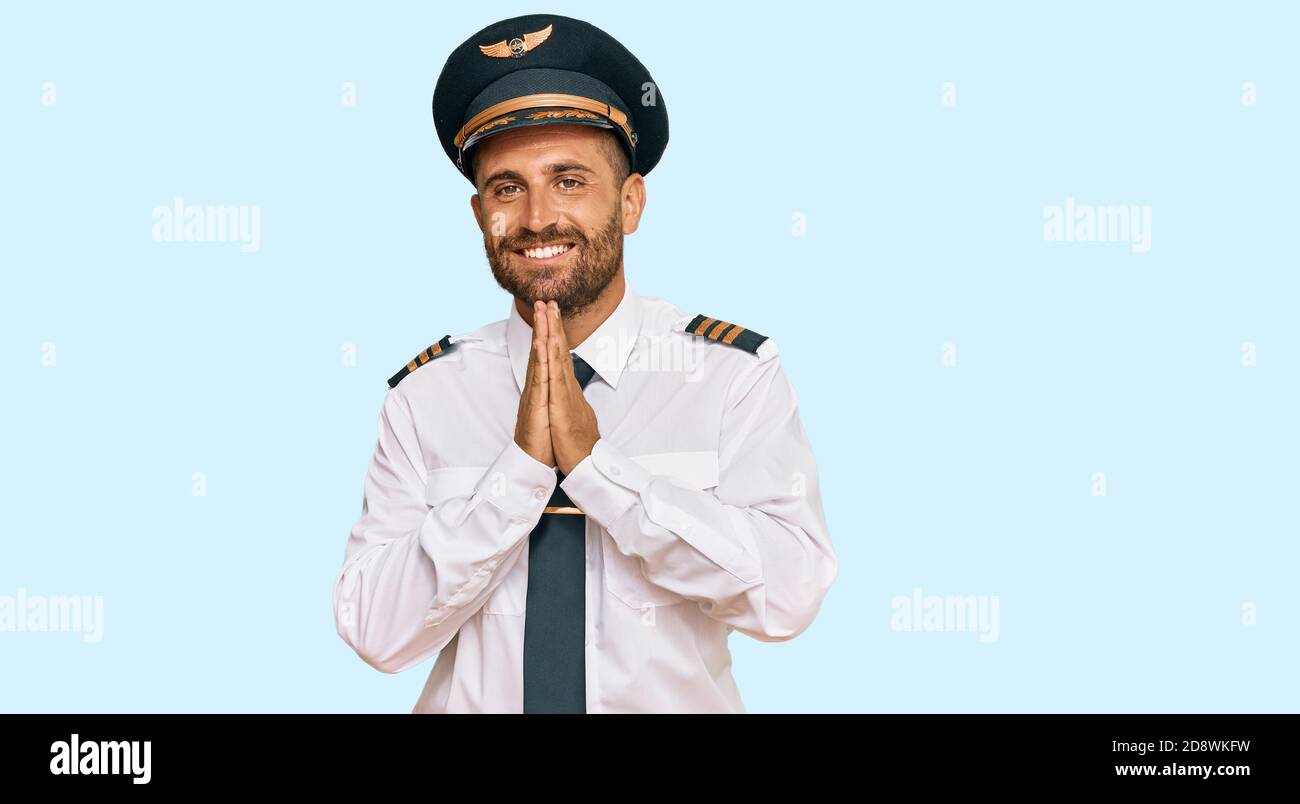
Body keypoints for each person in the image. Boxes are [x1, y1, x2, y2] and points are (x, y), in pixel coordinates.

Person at [332, 13, 837, 713]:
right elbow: (374, 632)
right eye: (509, 188)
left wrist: (599, 472)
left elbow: (788, 598)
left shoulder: (730, 377)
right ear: (481, 213)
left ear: (630, 203)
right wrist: (517, 477)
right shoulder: (425, 394)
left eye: (569, 181)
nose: (539, 217)